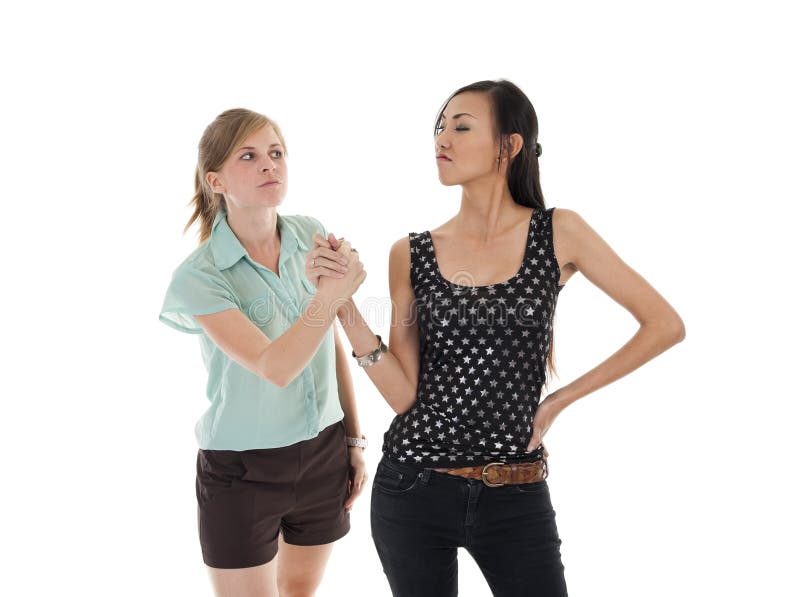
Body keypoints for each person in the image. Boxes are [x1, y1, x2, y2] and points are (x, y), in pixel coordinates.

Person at [305, 80, 686, 597]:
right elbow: (404, 395)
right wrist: (342, 304)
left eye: (462, 127)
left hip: (516, 492)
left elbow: (664, 324)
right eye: (440, 127)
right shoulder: (410, 252)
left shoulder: (559, 232)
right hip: (412, 486)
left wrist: (556, 403)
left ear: (510, 145)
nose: (443, 138)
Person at [158, 108, 369, 597]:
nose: (269, 165)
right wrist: (331, 297)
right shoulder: (200, 277)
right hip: (241, 469)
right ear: (216, 180)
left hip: (323, 453)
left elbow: (328, 342)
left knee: (299, 591)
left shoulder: (309, 234)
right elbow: (276, 367)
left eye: (276, 153)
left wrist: (353, 442)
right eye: (249, 156)